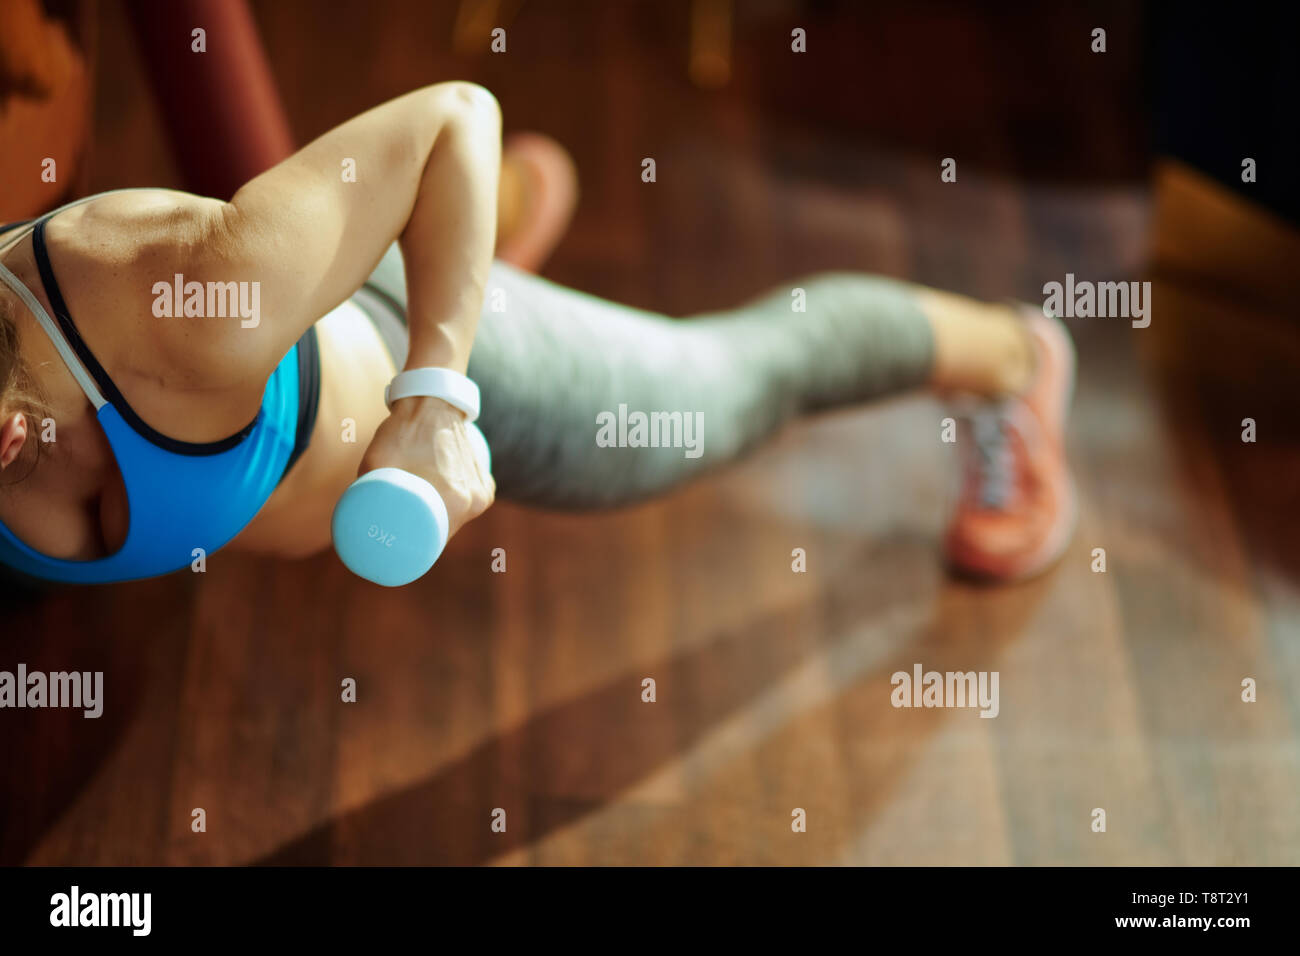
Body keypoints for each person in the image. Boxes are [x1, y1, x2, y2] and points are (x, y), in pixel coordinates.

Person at [0, 83, 1075, 587]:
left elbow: (453, 113)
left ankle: (1015, 359)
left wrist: (432, 401)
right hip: (311, 323)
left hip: (451, 371)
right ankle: (472, 230)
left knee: (741, 381)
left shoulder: (185, 295)